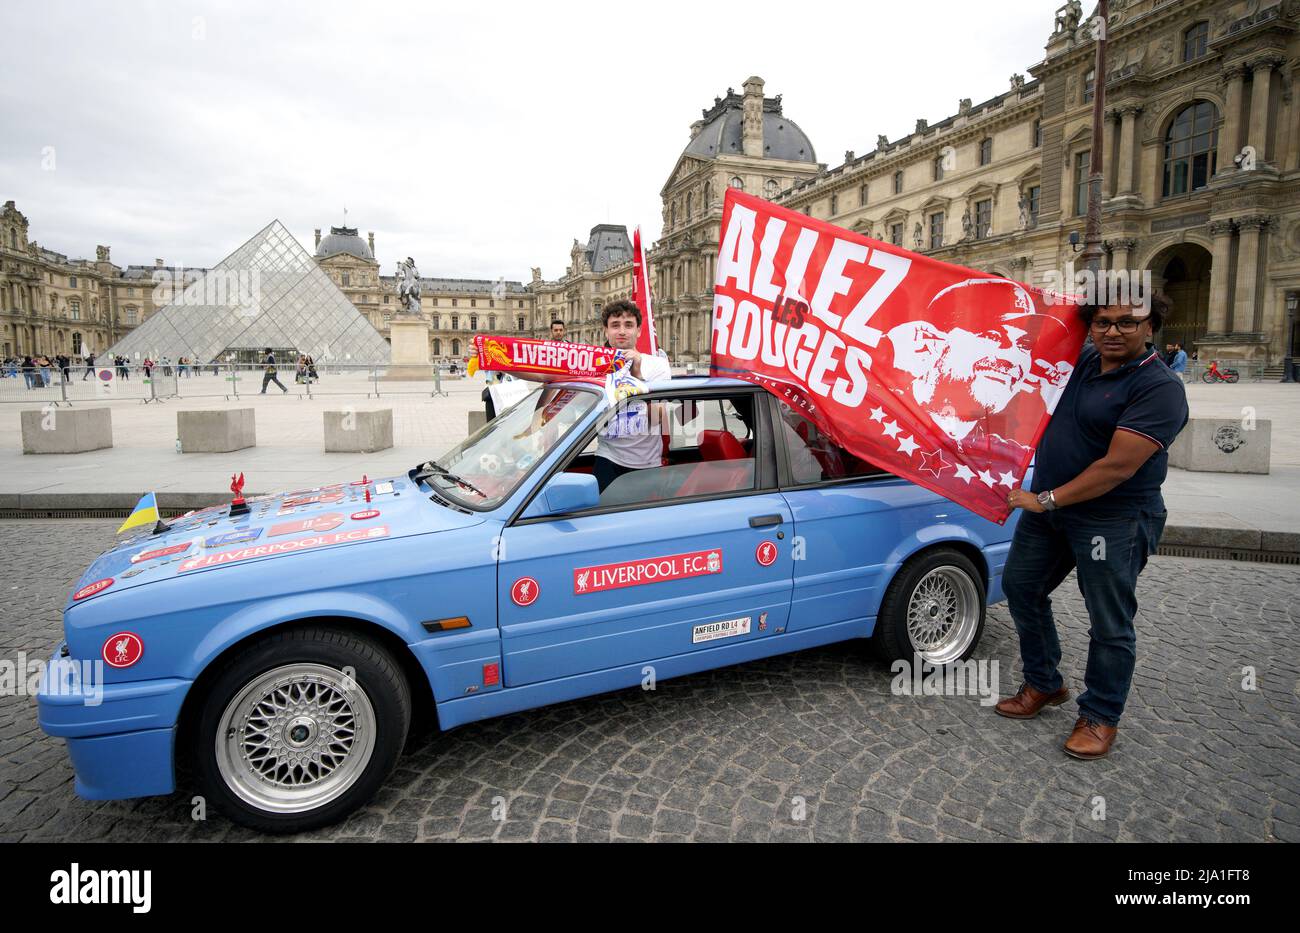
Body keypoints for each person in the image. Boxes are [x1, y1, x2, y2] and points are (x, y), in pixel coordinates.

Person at [1000, 292, 1188, 760]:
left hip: (1114, 517)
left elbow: (1116, 468)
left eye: (1128, 323)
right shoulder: (1082, 360)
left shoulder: (1159, 387)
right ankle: (1044, 683)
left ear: (1151, 328)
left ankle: (1101, 715)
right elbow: (1028, 331)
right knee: (1021, 587)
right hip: (1051, 511)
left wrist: (1045, 500)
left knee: (1109, 621)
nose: (1113, 331)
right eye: (1103, 322)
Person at [592, 300, 672, 492]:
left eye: (629, 325)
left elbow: (656, 419)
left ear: (639, 331)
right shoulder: (594, 366)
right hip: (607, 456)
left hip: (646, 461)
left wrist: (637, 377)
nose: (622, 331)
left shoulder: (657, 365)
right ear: (605, 330)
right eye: (615, 325)